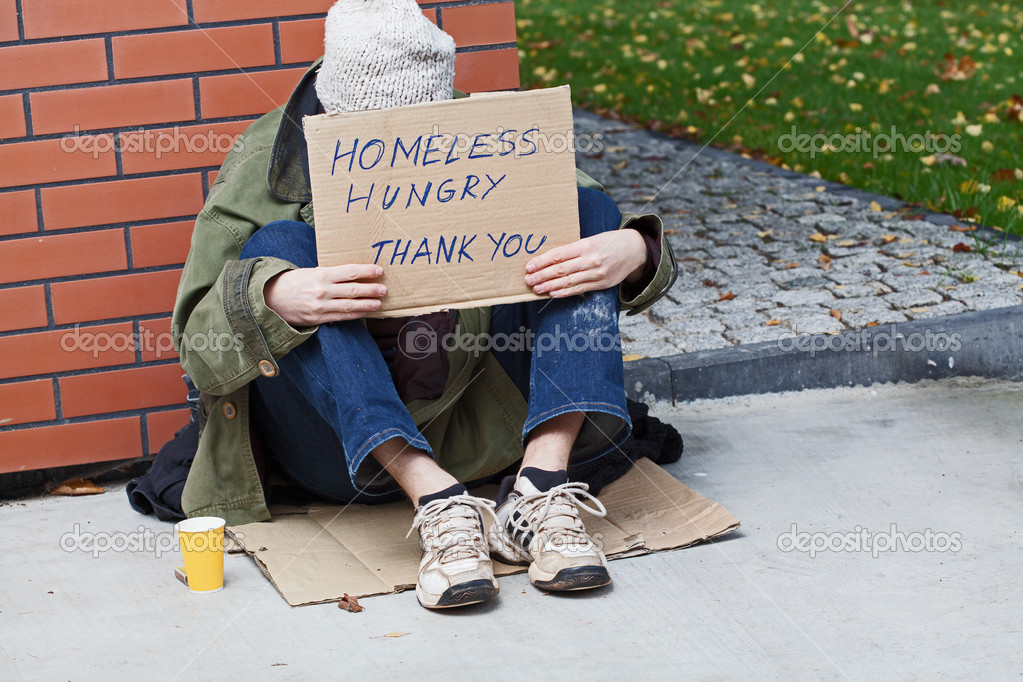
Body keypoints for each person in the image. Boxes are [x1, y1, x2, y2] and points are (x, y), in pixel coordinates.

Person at [172, 0, 677, 609]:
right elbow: (196, 346)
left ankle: (541, 490)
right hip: (348, 447)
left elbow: (604, 229)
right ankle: (438, 503)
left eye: (417, 131)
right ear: (333, 107)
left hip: (482, 413)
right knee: (281, 247)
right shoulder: (260, 166)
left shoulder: (480, 128)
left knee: (586, 212)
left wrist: (633, 248)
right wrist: (275, 297)